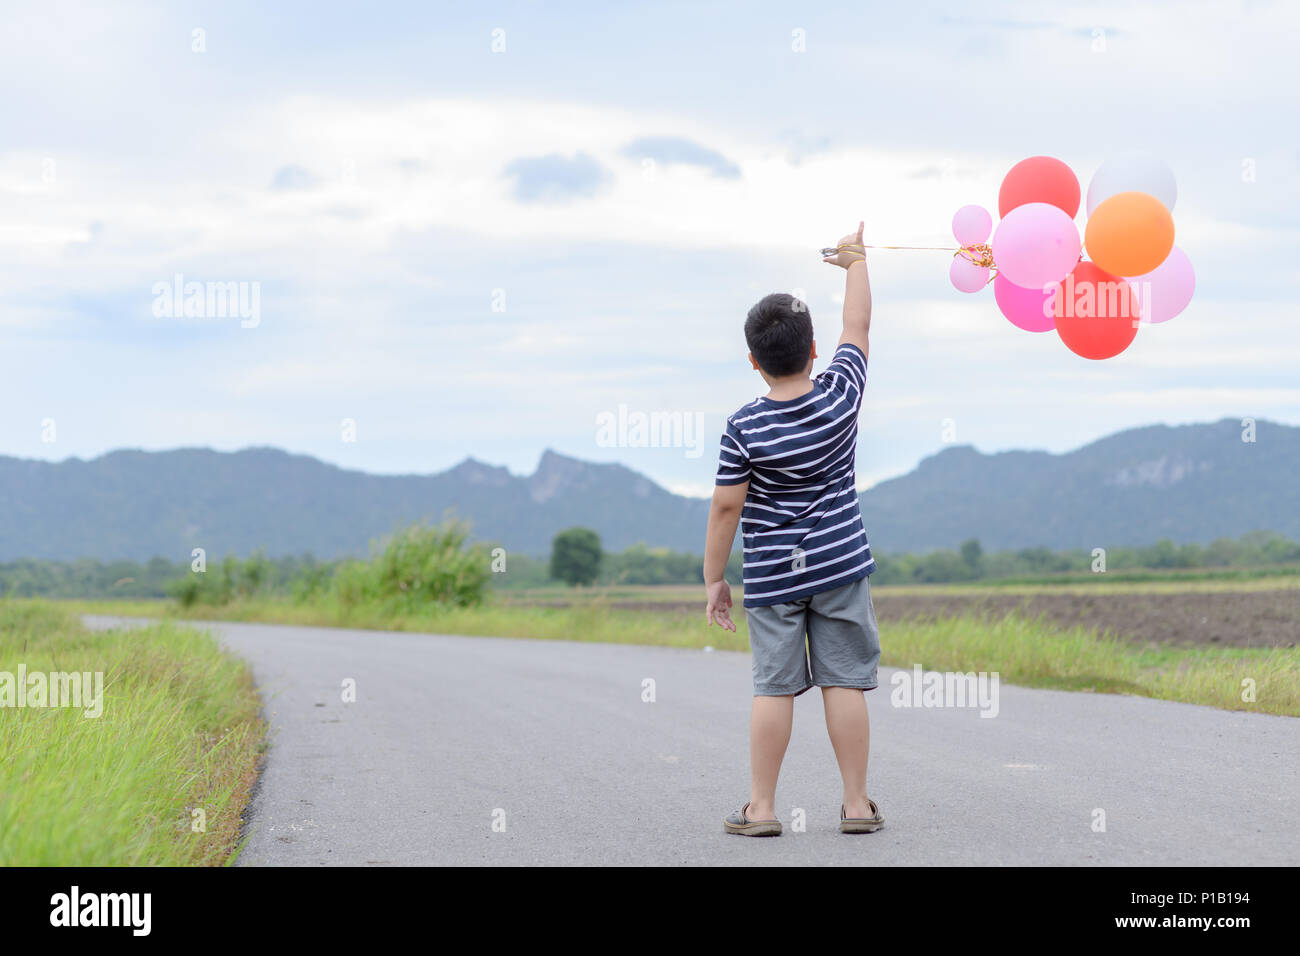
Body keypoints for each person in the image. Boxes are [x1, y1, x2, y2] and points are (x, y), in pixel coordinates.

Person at [703, 222, 884, 837]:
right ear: (812, 351)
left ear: (755, 363)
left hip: (776, 576)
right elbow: (857, 327)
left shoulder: (743, 427)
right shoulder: (840, 395)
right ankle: (856, 805)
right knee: (845, 681)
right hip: (840, 566)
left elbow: (726, 508)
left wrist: (714, 579)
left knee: (773, 689)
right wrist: (856, 262)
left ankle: (761, 809)